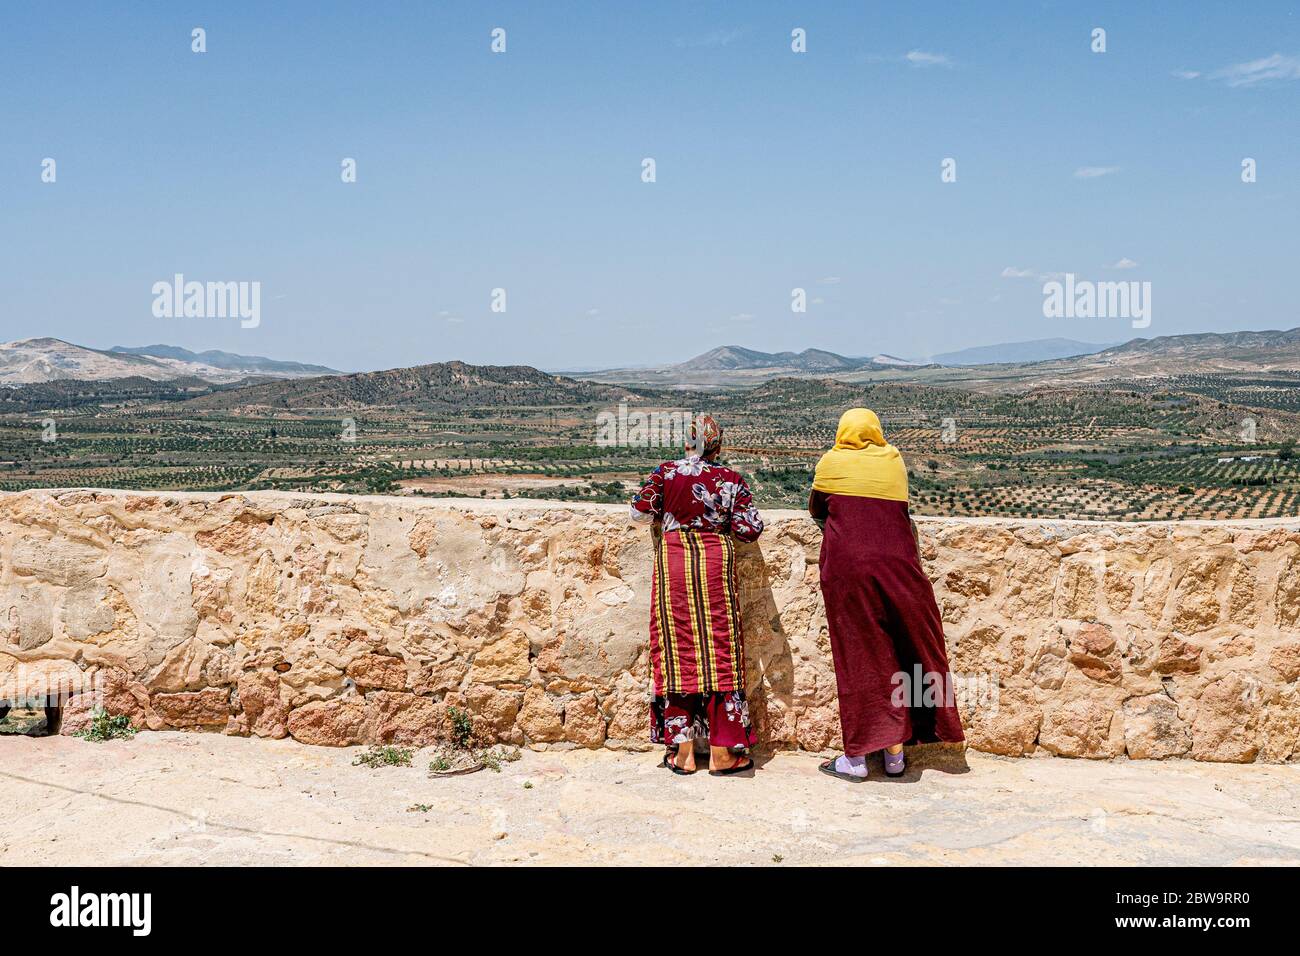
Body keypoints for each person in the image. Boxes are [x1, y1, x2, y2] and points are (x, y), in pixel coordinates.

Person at [809, 408, 964, 781]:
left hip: (849, 573)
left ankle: (858, 759)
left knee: (860, 658)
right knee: (905, 649)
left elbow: (817, 511)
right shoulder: (893, 461)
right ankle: (895, 756)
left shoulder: (831, 463)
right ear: (876, 431)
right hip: (900, 568)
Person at [630, 414, 764, 776]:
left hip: (674, 568)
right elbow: (750, 530)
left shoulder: (666, 473)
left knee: (677, 652)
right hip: (715, 571)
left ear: (687, 443)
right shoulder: (731, 480)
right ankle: (723, 753)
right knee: (722, 651)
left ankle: (683, 754)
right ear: (718, 445)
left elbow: (639, 514)